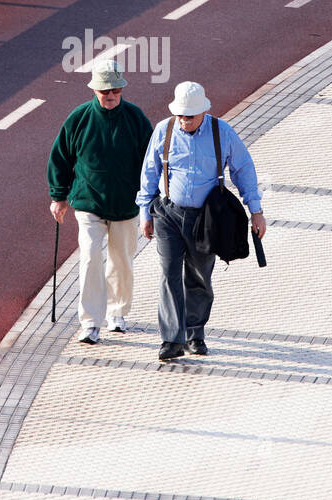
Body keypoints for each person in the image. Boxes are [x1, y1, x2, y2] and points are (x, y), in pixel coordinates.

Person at [137, 81, 265, 362]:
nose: (184, 121)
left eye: (189, 116)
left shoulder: (222, 132)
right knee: (169, 275)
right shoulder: (164, 131)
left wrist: (255, 210)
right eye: (180, 115)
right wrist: (145, 213)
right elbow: (149, 171)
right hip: (168, 215)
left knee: (199, 277)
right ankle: (171, 339)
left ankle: (195, 333)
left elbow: (243, 168)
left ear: (203, 113)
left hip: (205, 220)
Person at [47, 61, 153, 345]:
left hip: (126, 206)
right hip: (88, 204)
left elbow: (151, 162)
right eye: (105, 90)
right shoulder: (79, 118)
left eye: (116, 89)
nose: (111, 95)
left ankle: (117, 313)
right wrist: (59, 197)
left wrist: (151, 202)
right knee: (91, 257)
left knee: (122, 261)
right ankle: (90, 322)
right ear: (94, 89)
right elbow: (60, 158)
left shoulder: (136, 119)